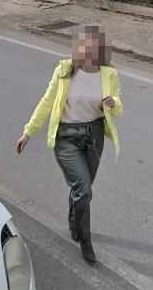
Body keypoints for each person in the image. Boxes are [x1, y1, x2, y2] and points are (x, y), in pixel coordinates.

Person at [16, 25, 123, 264]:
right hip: (66, 138)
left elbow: (118, 107)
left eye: (95, 47)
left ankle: (75, 219)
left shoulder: (109, 75)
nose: (90, 52)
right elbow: (47, 101)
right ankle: (85, 239)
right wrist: (28, 132)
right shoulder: (64, 70)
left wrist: (112, 103)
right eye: (86, 46)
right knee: (84, 190)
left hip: (94, 136)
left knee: (82, 189)